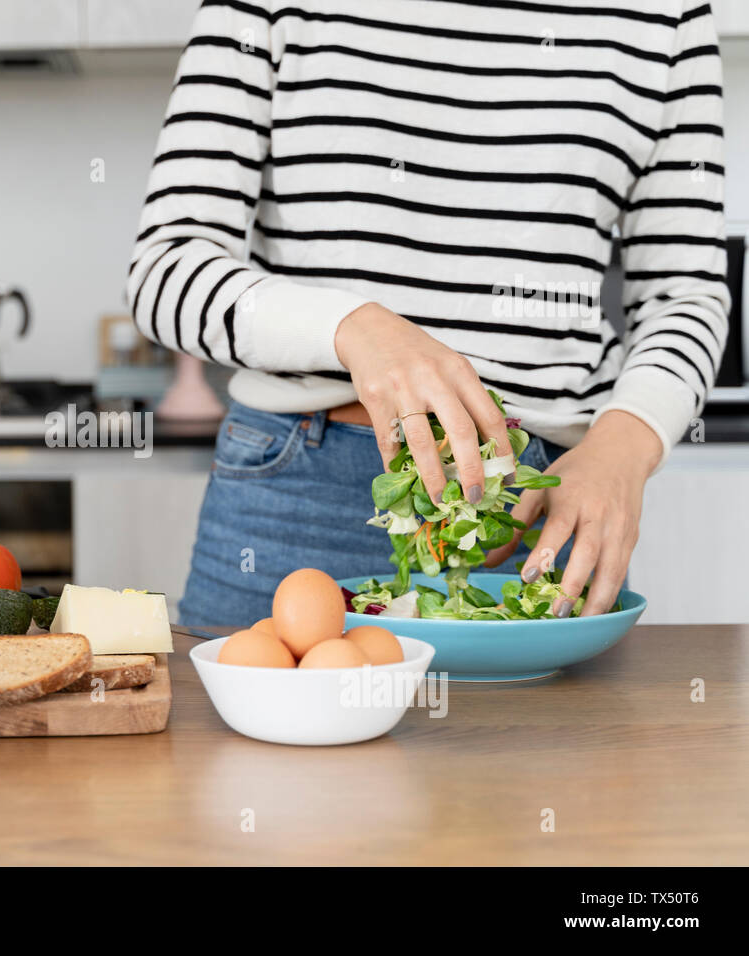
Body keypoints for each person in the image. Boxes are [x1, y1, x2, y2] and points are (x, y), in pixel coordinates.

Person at [127, 0, 728, 624]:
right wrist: (352, 328)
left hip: (543, 501)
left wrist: (627, 445)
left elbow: (685, 294)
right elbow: (166, 268)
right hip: (300, 495)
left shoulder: (668, 14)